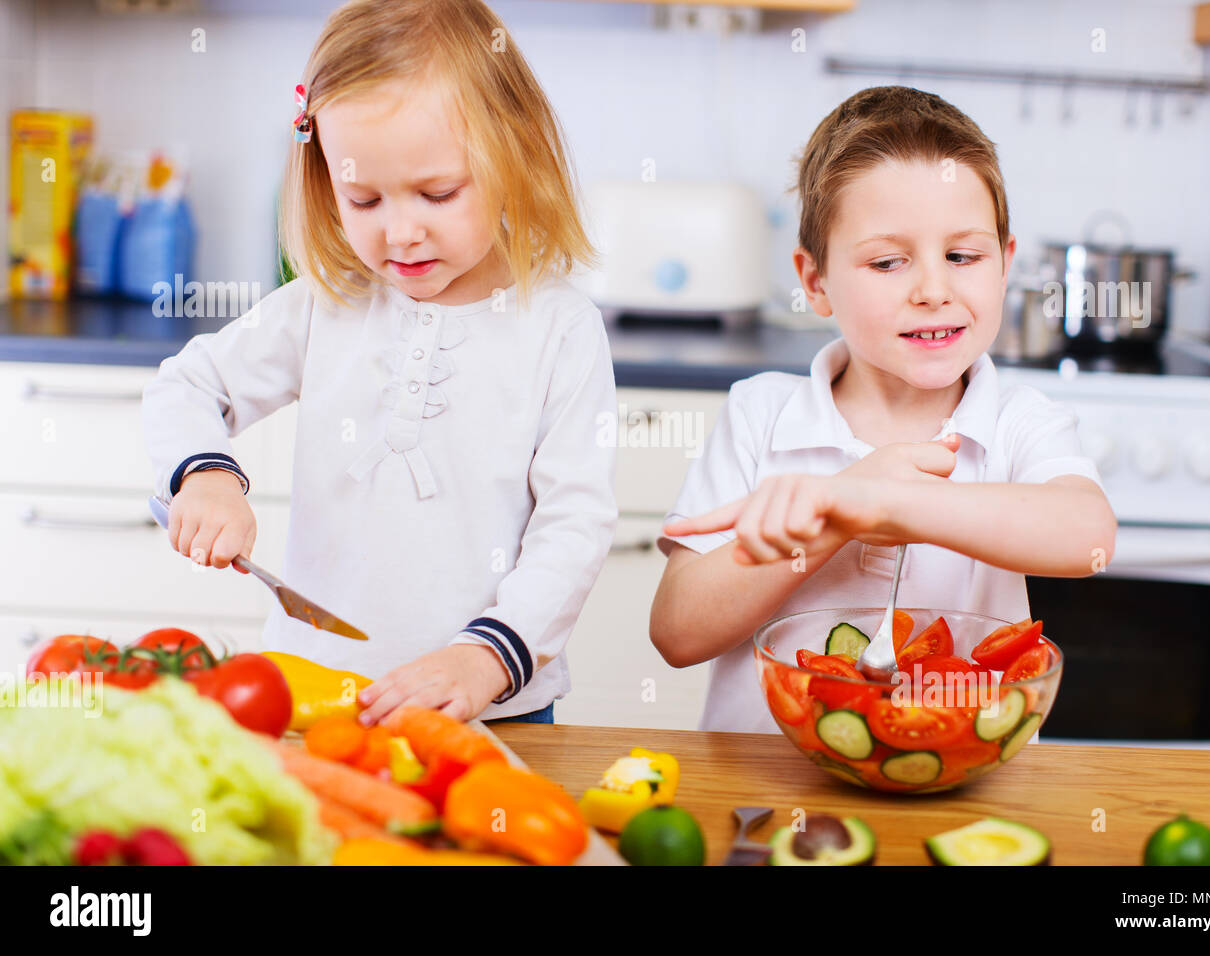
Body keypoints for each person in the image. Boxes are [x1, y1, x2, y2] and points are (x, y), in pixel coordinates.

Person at [141, 0, 616, 726]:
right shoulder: (324, 305)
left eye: (438, 193)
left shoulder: (560, 329)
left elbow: (574, 526)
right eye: (362, 198)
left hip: (489, 708)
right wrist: (204, 475)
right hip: (306, 696)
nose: (401, 232)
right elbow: (189, 383)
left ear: (513, 151)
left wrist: (487, 659)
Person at [650, 86, 1117, 734]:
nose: (933, 290)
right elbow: (677, 632)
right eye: (889, 261)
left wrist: (890, 504)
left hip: (958, 791)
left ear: (1004, 265)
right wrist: (836, 514)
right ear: (815, 282)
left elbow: (1088, 535)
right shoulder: (760, 415)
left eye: (962, 256)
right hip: (762, 794)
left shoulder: (1020, 423)